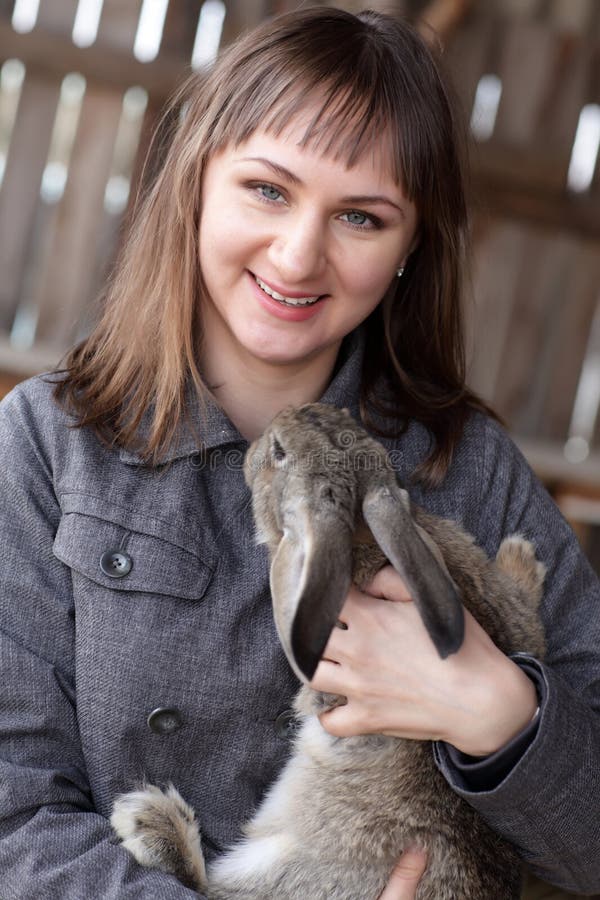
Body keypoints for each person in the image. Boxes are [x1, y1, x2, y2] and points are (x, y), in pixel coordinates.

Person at [0, 7, 598, 899]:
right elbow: (13, 818)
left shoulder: (467, 470)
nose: (297, 255)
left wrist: (496, 710)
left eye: (361, 217)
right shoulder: (49, 446)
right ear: (198, 178)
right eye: (268, 190)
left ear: (409, 246)